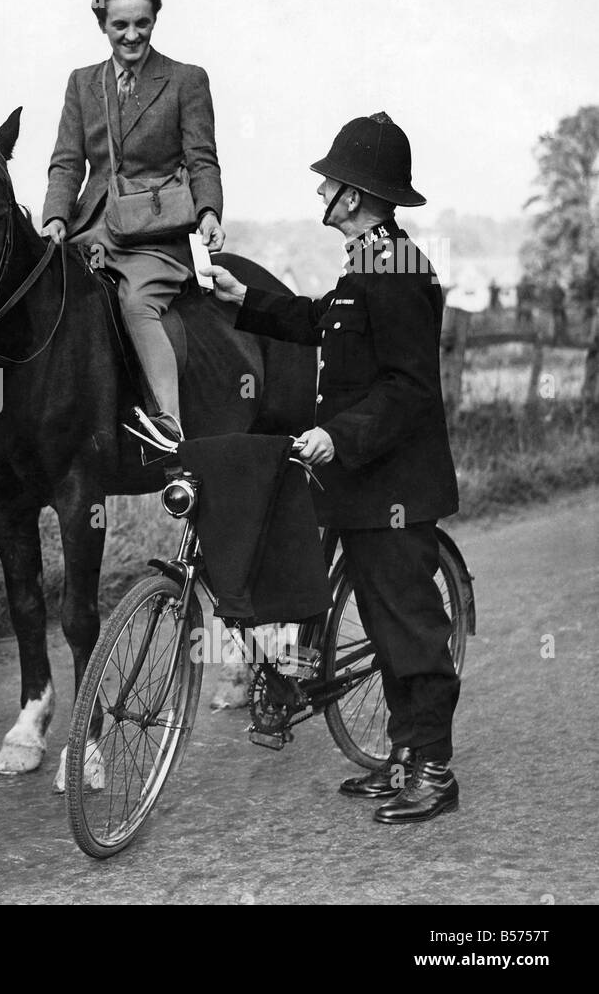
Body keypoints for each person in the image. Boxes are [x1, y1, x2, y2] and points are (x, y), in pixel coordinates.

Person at [204, 112, 462, 824]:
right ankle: (404, 761)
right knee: (382, 626)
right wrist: (246, 303)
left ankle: (433, 772)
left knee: (409, 628)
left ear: (351, 194)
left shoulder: (398, 266)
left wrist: (335, 436)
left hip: (395, 488)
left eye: (329, 180)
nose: (320, 189)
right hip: (363, 484)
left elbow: (410, 388)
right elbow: (329, 323)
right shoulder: (370, 261)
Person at [42, 0, 225, 444]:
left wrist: (208, 213)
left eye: (141, 23)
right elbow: (66, 163)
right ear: (102, 24)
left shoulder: (187, 80)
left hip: (157, 235)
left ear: (155, 20)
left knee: (137, 303)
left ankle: (168, 421)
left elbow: (202, 158)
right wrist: (56, 217)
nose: (131, 35)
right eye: (120, 25)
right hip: (89, 230)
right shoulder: (83, 83)